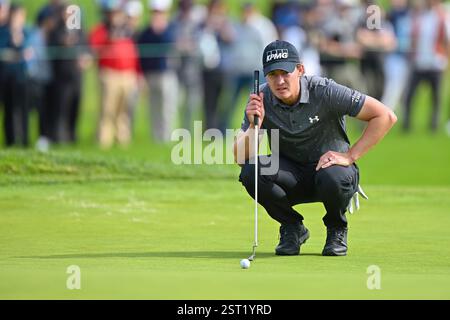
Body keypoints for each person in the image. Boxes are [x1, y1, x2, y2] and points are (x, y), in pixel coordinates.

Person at [233, 40, 397, 256]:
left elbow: (385, 116)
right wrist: (255, 125)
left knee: (334, 175)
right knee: (251, 171)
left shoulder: (325, 90)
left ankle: (336, 228)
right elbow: (240, 157)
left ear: (300, 70)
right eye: (273, 75)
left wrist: (350, 156)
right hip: (290, 176)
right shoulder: (261, 98)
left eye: (285, 72)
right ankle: (292, 228)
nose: (280, 81)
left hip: (331, 172)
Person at [89, 0, 139, 148]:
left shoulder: (128, 30)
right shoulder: (101, 31)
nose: (115, 16)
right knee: (107, 110)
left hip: (128, 74)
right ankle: (104, 140)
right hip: (109, 74)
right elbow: (94, 49)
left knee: (124, 111)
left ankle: (122, 139)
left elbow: (134, 52)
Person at [403, 0, 448, 132]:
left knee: (436, 97)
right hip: (419, 62)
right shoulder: (418, 16)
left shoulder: (442, 17)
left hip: (436, 63)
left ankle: (433, 125)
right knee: (410, 95)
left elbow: (446, 39)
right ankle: (406, 125)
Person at [138, 0, 178, 142]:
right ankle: (156, 137)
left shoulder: (170, 29)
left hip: (166, 74)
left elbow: (171, 44)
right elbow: (141, 53)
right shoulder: (146, 32)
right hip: (151, 74)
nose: (157, 15)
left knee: (167, 107)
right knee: (153, 107)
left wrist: (160, 30)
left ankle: (166, 136)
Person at [0, 4, 31, 147]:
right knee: (9, 110)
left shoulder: (26, 32)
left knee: (23, 110)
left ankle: (24, 140)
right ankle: (10, 140)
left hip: (22, 77)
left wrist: (19, 44)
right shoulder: (4, 32)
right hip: (6, 77)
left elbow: (29, 52)